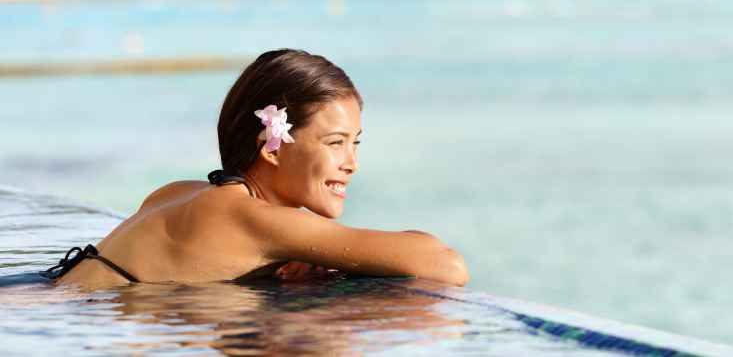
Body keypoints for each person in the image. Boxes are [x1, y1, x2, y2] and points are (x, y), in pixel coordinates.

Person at [43, 49, 469, 290]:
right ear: (271, 147)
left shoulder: (177, 192)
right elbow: (447, 266)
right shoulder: (258, 221)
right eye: (335, 143)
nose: (352, 163)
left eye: (355, 144)